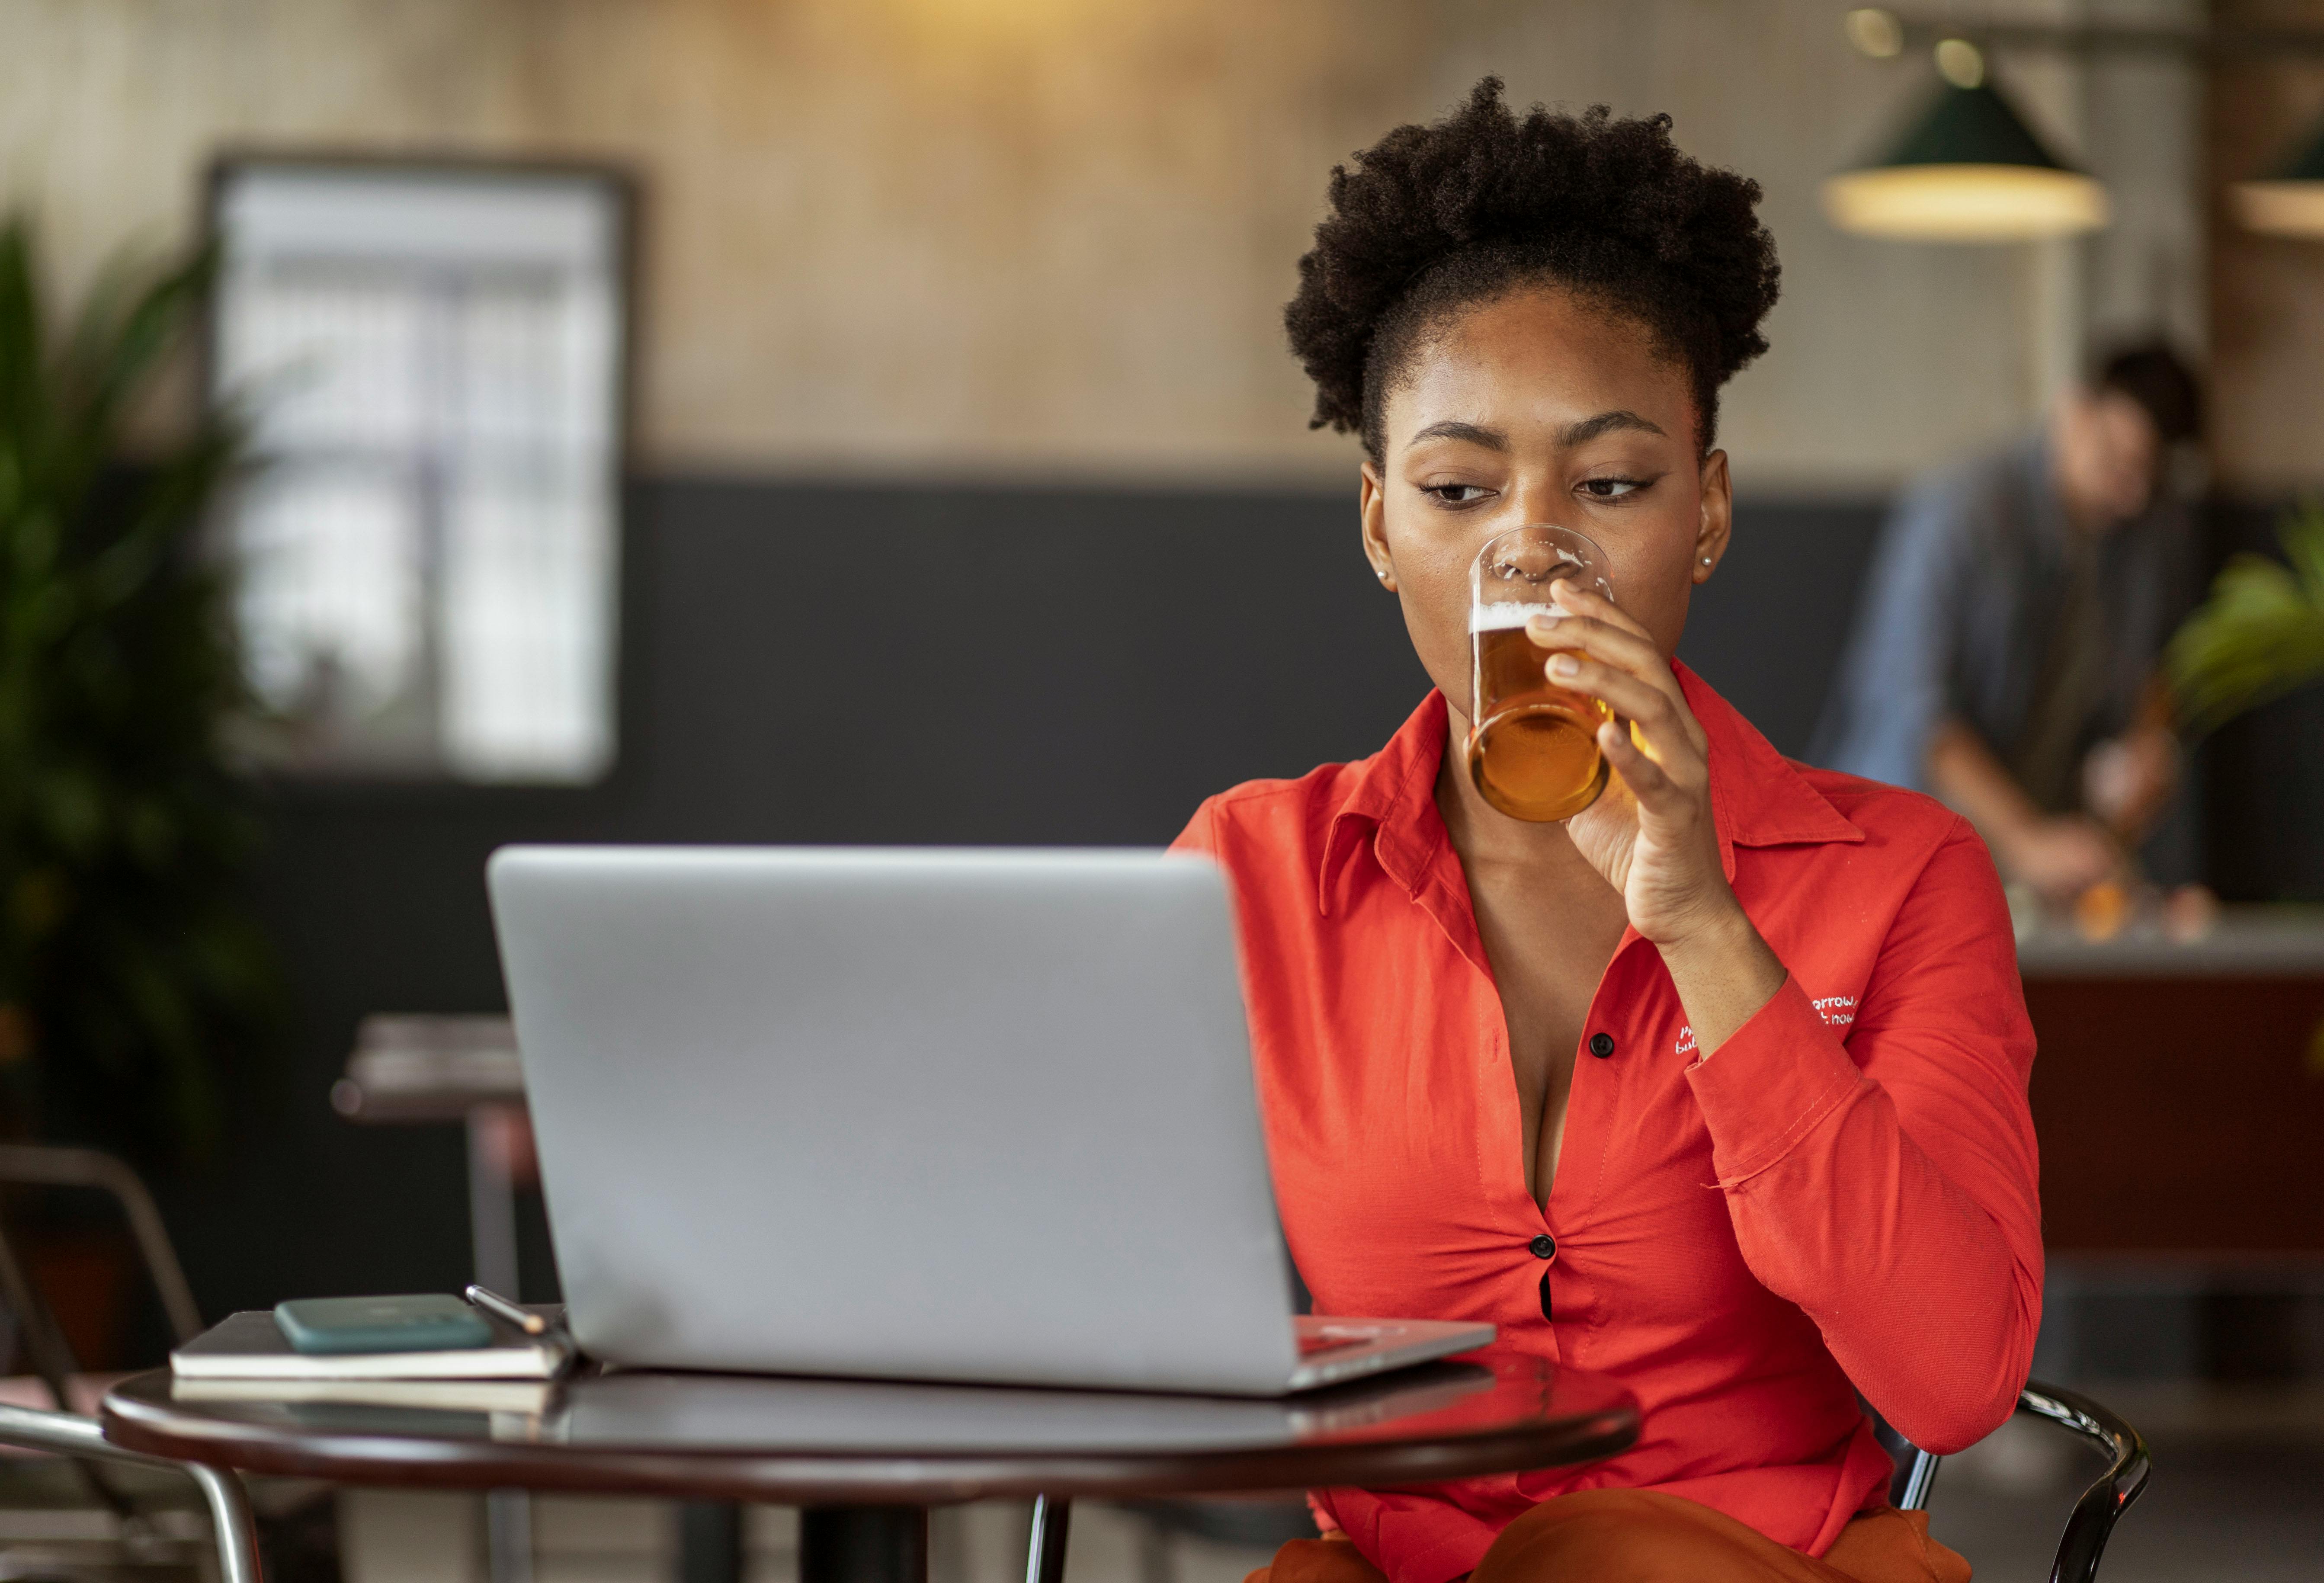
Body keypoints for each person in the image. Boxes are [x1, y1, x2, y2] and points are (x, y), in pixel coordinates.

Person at [1176, 82, 2037, 1583]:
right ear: (1380, 528)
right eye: (1457, 489)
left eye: (1613, 484)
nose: (1534, 551)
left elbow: (1954, 1380)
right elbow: (1090, 1305)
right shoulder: (1250, 875)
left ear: (1704, 511)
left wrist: (1705, 926)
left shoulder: (1902, 879)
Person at [1810, 344, 2202, 904]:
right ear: (2072, 410)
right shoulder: (1957, 512)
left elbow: (2143, 685)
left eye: (2148, 475)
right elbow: (1916, 710)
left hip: (2023, 884)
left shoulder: (2146, 535)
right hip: (1891, 858)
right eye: (2118, 458)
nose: (2131, 493)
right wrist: (2026, 841)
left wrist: (2142, 754)